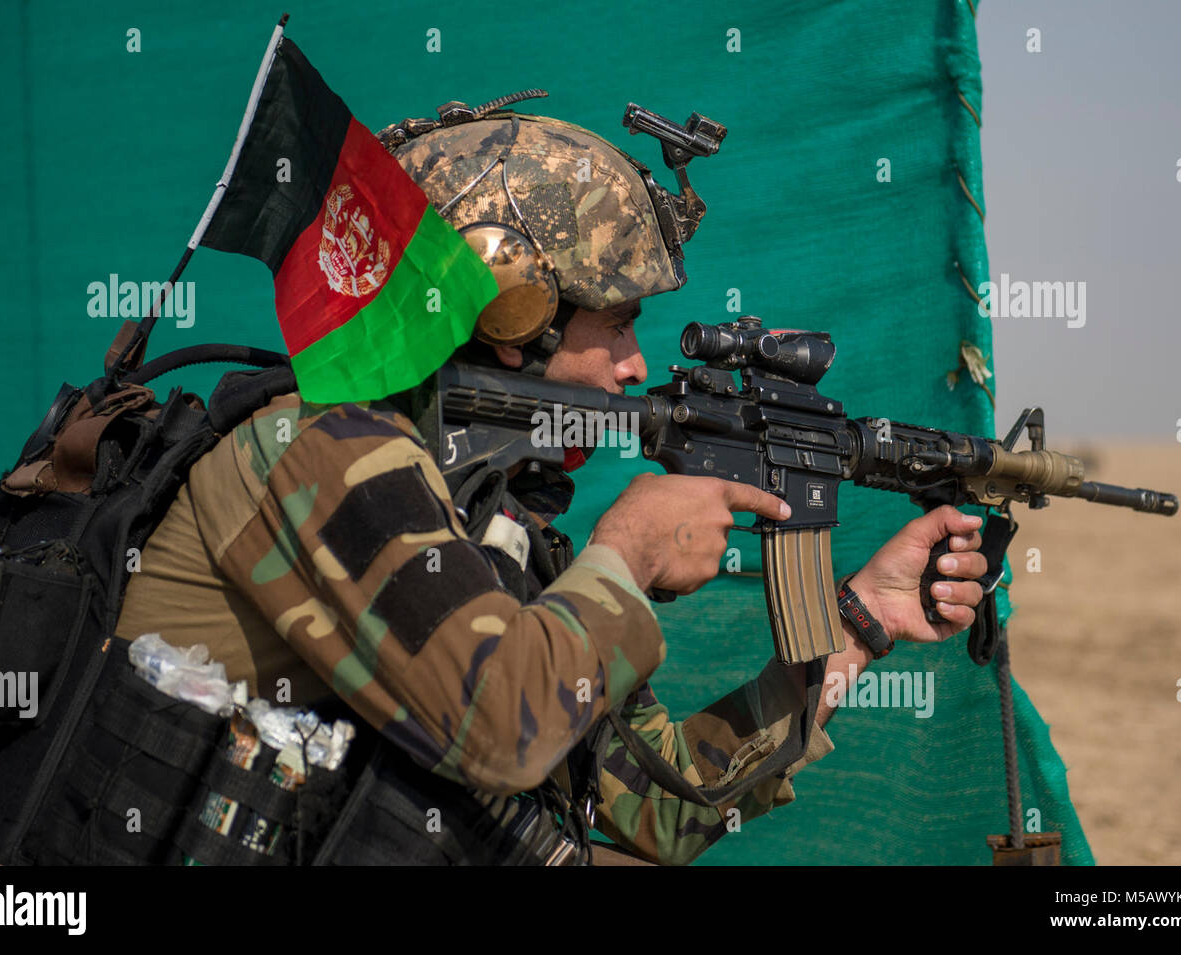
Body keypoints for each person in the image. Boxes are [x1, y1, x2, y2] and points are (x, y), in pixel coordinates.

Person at [111, 104, 988, 865]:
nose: (635, 365)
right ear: (510, 311)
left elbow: (661, 808)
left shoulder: (484, 513)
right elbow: (503, 726)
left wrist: (859, 623)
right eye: (617, 324)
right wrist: (627, 551)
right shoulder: (325, 449)